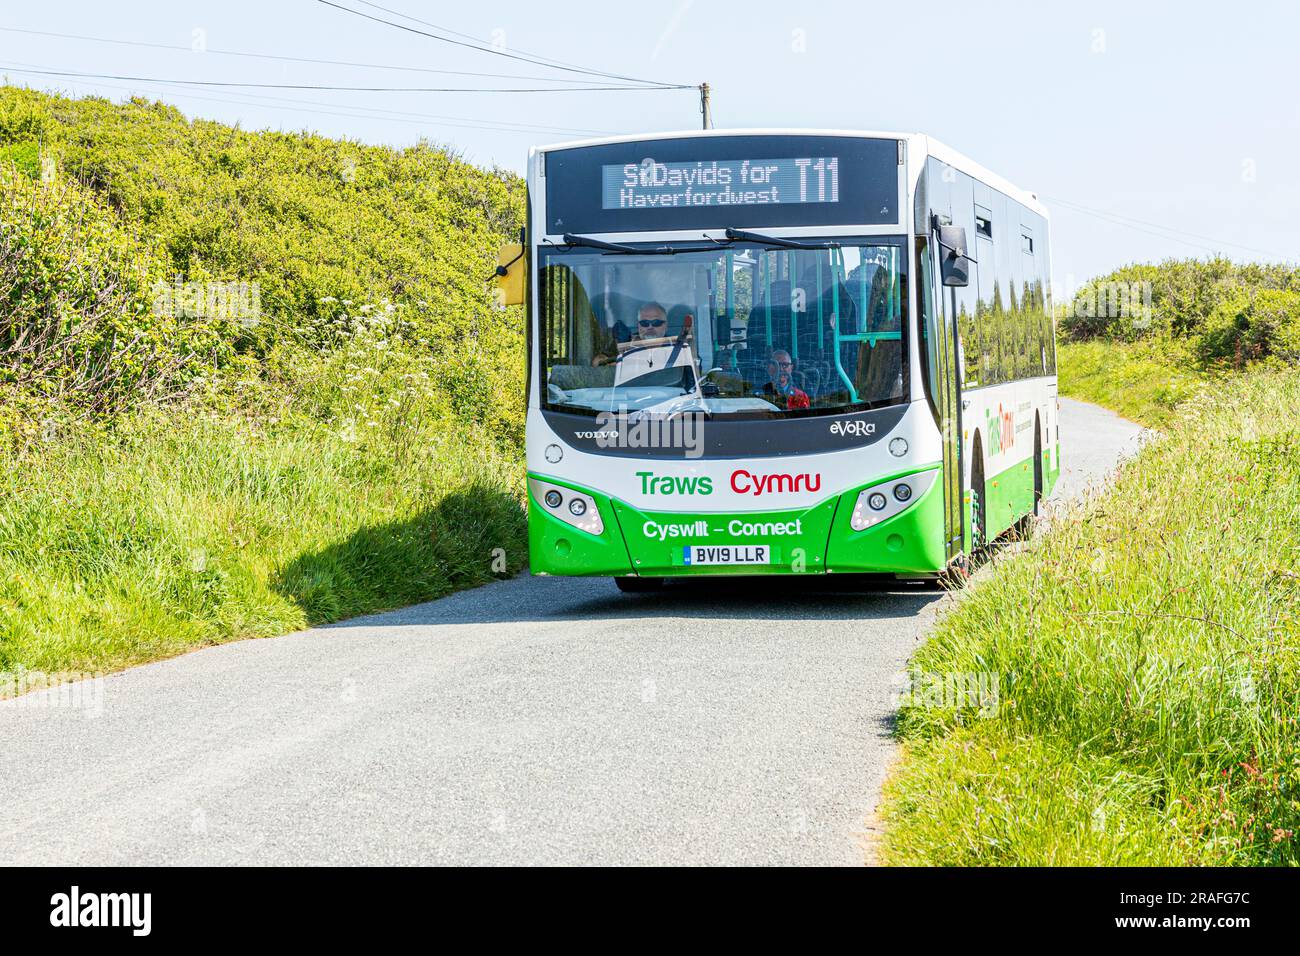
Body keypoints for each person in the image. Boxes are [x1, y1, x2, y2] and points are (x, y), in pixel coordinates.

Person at [592, 302, 669, 366]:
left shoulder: (677, 348)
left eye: (656, 323)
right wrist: (613, 365)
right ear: (638, 326)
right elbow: (597, 362)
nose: (650, 327)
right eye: (644, 323)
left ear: (665, 325)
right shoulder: (625, 343)